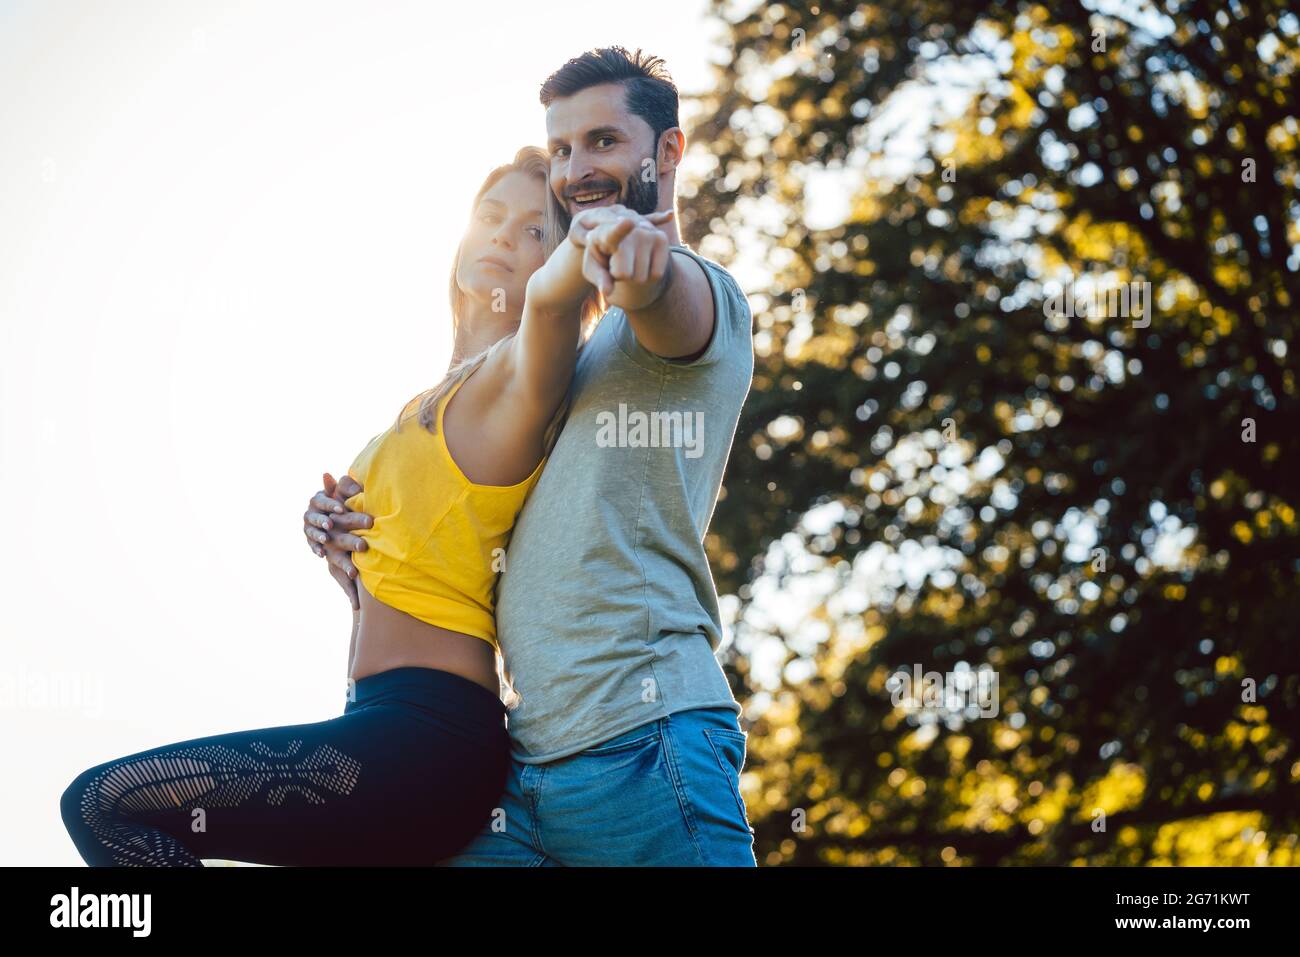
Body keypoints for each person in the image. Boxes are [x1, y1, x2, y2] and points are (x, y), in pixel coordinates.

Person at [60, 145, 672, 866]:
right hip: (376, 720)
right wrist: (334, 539)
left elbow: (551, 307)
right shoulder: (421, 406)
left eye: (534, 230)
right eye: (490, 216)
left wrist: (591, 237)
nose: (505, 235)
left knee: (104, 802)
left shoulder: (521, 379)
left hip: (430, 739)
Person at [313, 47, 758, 866]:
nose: (577, 170)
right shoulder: (559, 371)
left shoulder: (701, 297)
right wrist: (354, 539)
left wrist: (638, 253)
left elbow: (669, 299)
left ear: (668, 152)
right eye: (561, 149)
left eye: (603, 142)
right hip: (519, 772)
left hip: (644, 742)